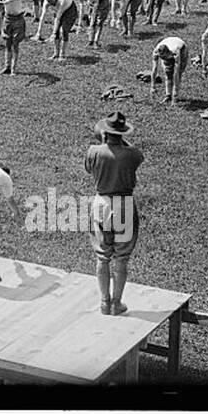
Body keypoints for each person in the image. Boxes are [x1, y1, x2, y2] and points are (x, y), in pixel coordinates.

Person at [84, 112, 143, 316]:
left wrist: (103, 140)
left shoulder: (94, 151)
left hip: (101, 203)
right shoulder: (133, 154)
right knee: (122, 258)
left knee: (102, 256)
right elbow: (131, 153)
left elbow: (88, 168)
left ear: (105, 133)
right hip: (124, 204)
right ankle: (117, 303)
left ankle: (104, 301)